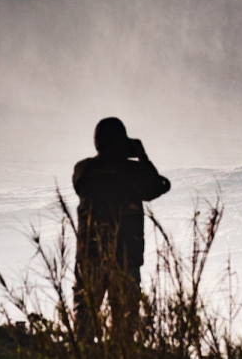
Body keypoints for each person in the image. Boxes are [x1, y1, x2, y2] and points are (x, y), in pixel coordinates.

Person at [72, 117, 171, 339]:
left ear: (97, 142)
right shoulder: (133, 172)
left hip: (90, 256)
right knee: (124, 329)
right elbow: (157, 186)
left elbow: (80, 185)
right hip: (125, 258)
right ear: (122, 143)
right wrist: (141, 156)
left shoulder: (83, 169)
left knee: (84, 325)